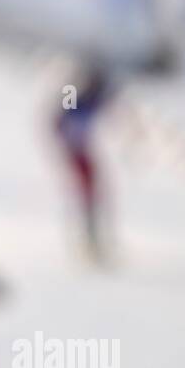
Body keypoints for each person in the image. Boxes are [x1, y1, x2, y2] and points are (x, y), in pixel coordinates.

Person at [54, 63, 114, 261]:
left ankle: (92, 241)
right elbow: (62, 122)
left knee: (91, 196)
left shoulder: (85, 101)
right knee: (87, 196)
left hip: (80, 151)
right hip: (77, 152)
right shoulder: (78, 103)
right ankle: (89, 243)